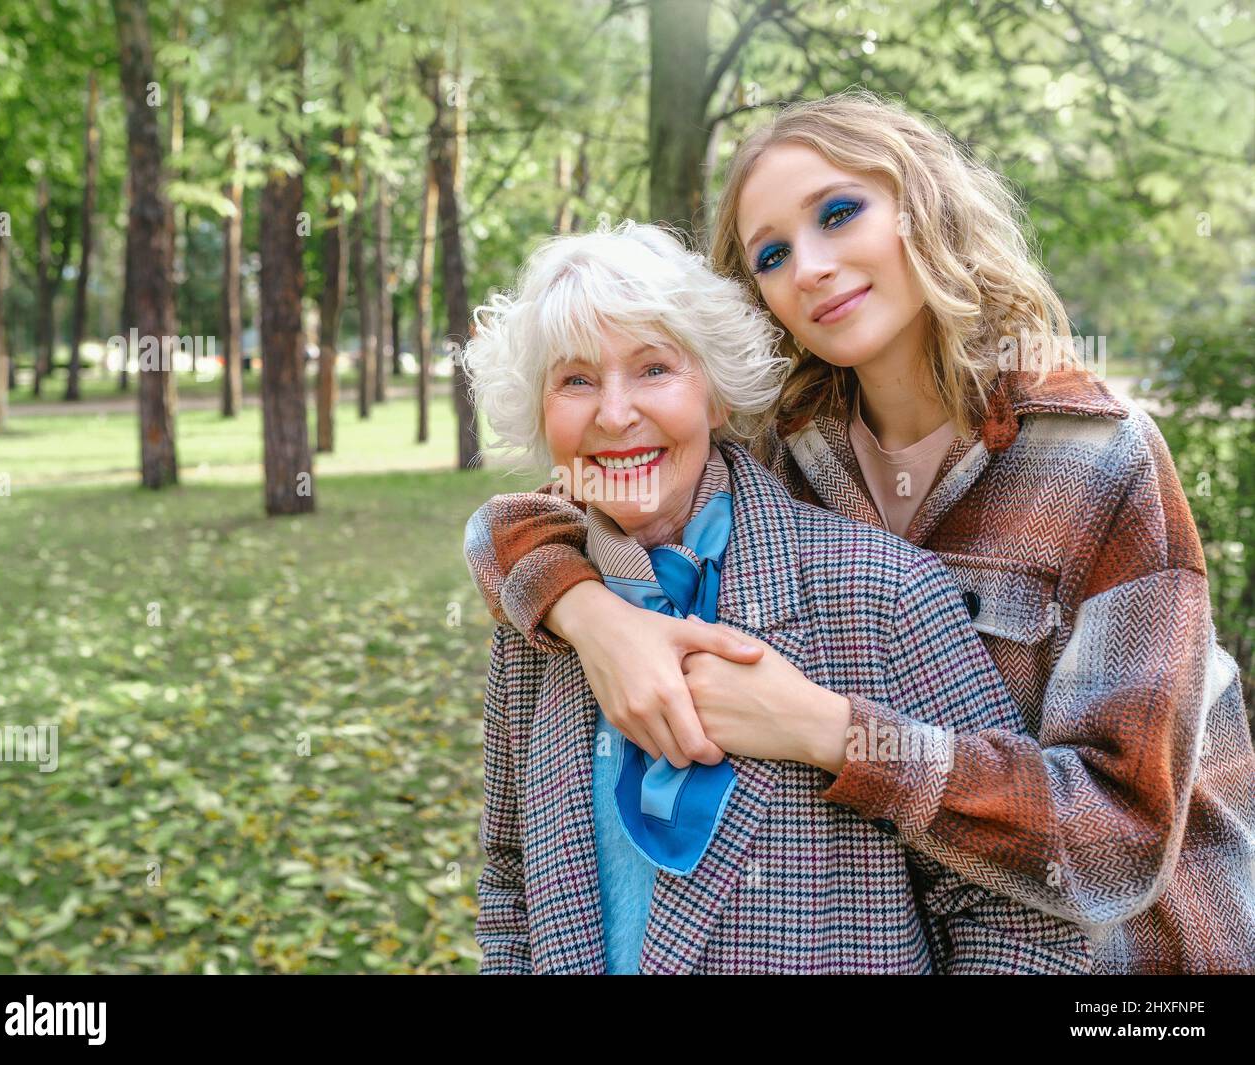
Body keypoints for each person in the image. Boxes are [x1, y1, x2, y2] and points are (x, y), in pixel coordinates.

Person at [463, 91, 1255, 974]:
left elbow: (1124, 834)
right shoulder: (785, 448)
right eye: (771, 254)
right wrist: (596, 619)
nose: (811, 266)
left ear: (924, 205)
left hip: (1150, 955)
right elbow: (539, 510)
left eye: (840, 214)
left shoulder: (1098, 459)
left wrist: (830, 731)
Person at [465, 221, 1089, 974]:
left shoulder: (880, 594)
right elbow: (507, 874)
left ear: (716, 395)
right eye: (575, 380)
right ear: (540, 413)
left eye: (654, 368)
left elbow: (1021, 919)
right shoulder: (540, 615)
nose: (614, 413)